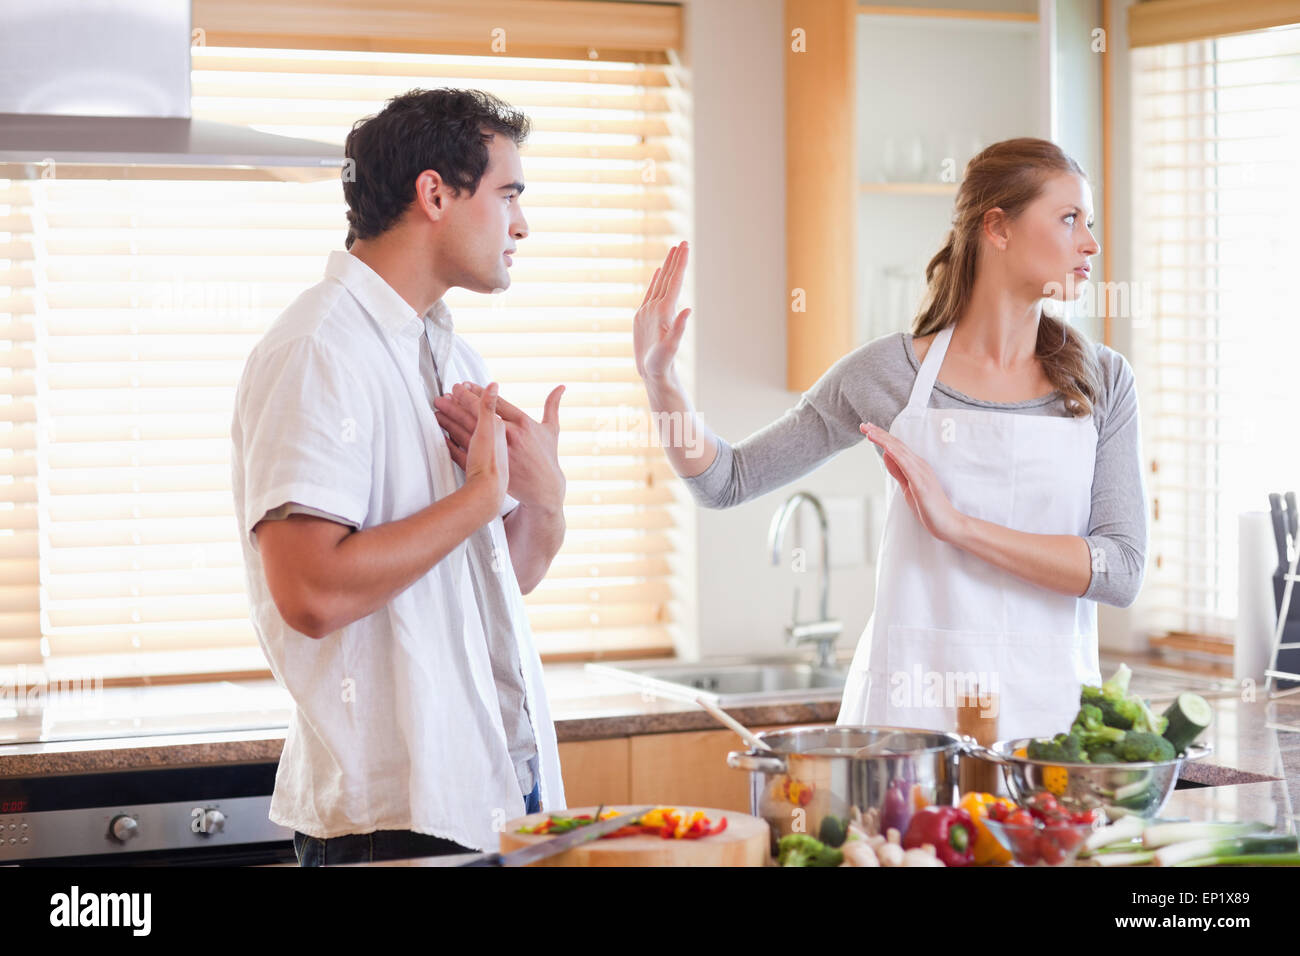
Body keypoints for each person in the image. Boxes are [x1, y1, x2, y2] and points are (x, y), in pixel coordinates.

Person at [634, 137, 1147, 741]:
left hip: (1049, 728)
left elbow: (1120, 570)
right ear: (998, 228)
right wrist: (659, 378)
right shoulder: (887, 374)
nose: (1090, 242)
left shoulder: (1102, 380)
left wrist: (958, 527)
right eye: (1069, 219)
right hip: (909, 727)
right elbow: (728, 481)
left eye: (1089, 222)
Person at [231, 88, 569, 866]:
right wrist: (483, 497)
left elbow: (482, 587)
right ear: (435, 193)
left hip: (484, 793)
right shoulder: (320, 350)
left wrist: (544, 503)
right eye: (508, 195)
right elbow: (311, 594)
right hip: (389, 821)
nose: (522, 224)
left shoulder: (451, 359)